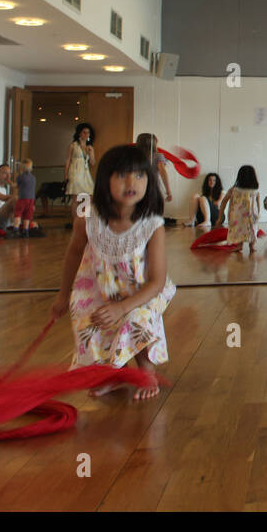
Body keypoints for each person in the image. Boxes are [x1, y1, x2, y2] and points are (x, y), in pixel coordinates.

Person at [51, 143, 176, 402]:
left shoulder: (152, 225)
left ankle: (145, 371)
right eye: (121, 175)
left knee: (136, 319)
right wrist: (63, 296)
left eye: (139, 175)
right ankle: (113, 374)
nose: (131, 181)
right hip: (101, 287)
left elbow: (157, 281)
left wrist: (122, 308)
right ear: (104, 180)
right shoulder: (88, 219)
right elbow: (74, 253)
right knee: (88, 318)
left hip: (143, 291)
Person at [223, 165, 261, 253]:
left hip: (238, 214)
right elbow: (258, 203)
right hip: (251, 214)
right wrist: (258, 213)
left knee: (239, 229)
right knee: (252, 229)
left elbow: (227, 202)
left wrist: (226, 213)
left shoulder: (234, 190)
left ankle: (240, 245)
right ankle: (251, 246)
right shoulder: (255, 190)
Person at [11, 159, 44, 237]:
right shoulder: (33, 178)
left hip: (22, 199)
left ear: (21, 168)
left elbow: (15, 186)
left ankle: (15, 229)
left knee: (18, 213)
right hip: (31, 200)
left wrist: (8, 181)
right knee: (27, 215)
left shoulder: (20, 177)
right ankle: (25, 231)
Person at [65, 122, 96, 198]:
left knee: (90, 196)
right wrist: (66, 174)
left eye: (88, 133)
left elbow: (92, 163)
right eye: (84, 132)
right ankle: (75, 210)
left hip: (85, 173)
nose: (86, 134)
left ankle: (85, 210)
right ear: (79, 133)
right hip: (75, 173)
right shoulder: (73, 145)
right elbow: (68, 160)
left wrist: (91, 153)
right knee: (76, 198)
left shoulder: (89, 147)